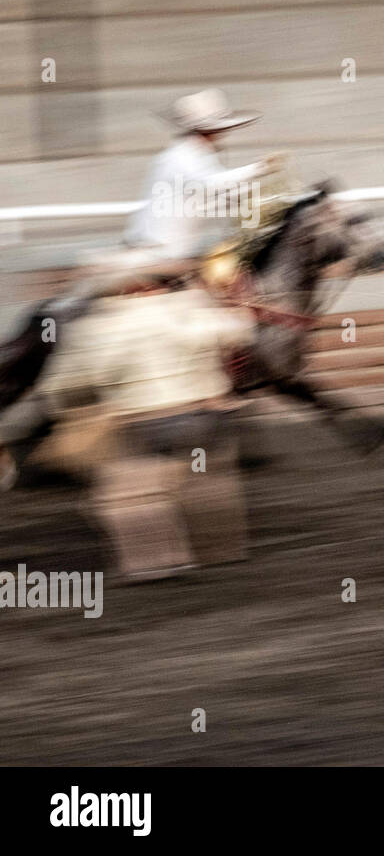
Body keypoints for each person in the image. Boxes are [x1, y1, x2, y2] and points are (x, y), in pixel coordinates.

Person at [31, 281, 257, 581]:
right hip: (204, 416)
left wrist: (71, 408)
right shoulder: (190, 309)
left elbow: (73, 380)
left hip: (147, 419)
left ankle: (157, 561)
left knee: (130, 494)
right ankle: (220, 550)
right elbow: (240, 331)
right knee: (208, 481)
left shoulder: (101, 326)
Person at [122, 88, 291, 273]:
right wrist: (259, 168)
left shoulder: (196, 156)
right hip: (159, 251)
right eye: (220, 130)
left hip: (175, 249)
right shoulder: (180, 157)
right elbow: (209, 185)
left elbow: (220, 194)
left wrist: (259, 201)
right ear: (209, 130)